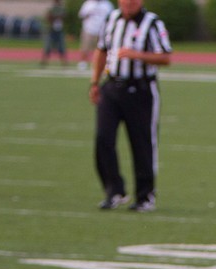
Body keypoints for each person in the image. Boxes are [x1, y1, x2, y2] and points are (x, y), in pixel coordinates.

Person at [88, 0, 171, 212]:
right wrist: (95, 82)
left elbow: (165, 57)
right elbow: (101, 51)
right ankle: (114, 190)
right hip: (112, 87)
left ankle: (145, 196)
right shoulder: (112, 19)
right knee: (103, 138)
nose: (128, 3)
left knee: (142, 144)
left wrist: (138, 55)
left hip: (141, 90)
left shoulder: (152, 23)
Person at [77, 0, 114, 70]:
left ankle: (98, 63)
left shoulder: (107, 4)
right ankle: (83, 63)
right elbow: (81, 15)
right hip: (89, 29)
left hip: (103, 31)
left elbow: (112, 17)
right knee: (85, 47)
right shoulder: (88, 3)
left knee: (101, 49)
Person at [40, 0, 68, 67]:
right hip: (51, 30)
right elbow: (47, 17)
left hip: (59, 30)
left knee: (61, 47)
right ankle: (44, 62)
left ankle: (64, 62)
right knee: (48, 46)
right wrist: (54, 17)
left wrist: (60, 16)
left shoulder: (62, 10)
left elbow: (65, 16)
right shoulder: (51, 10)